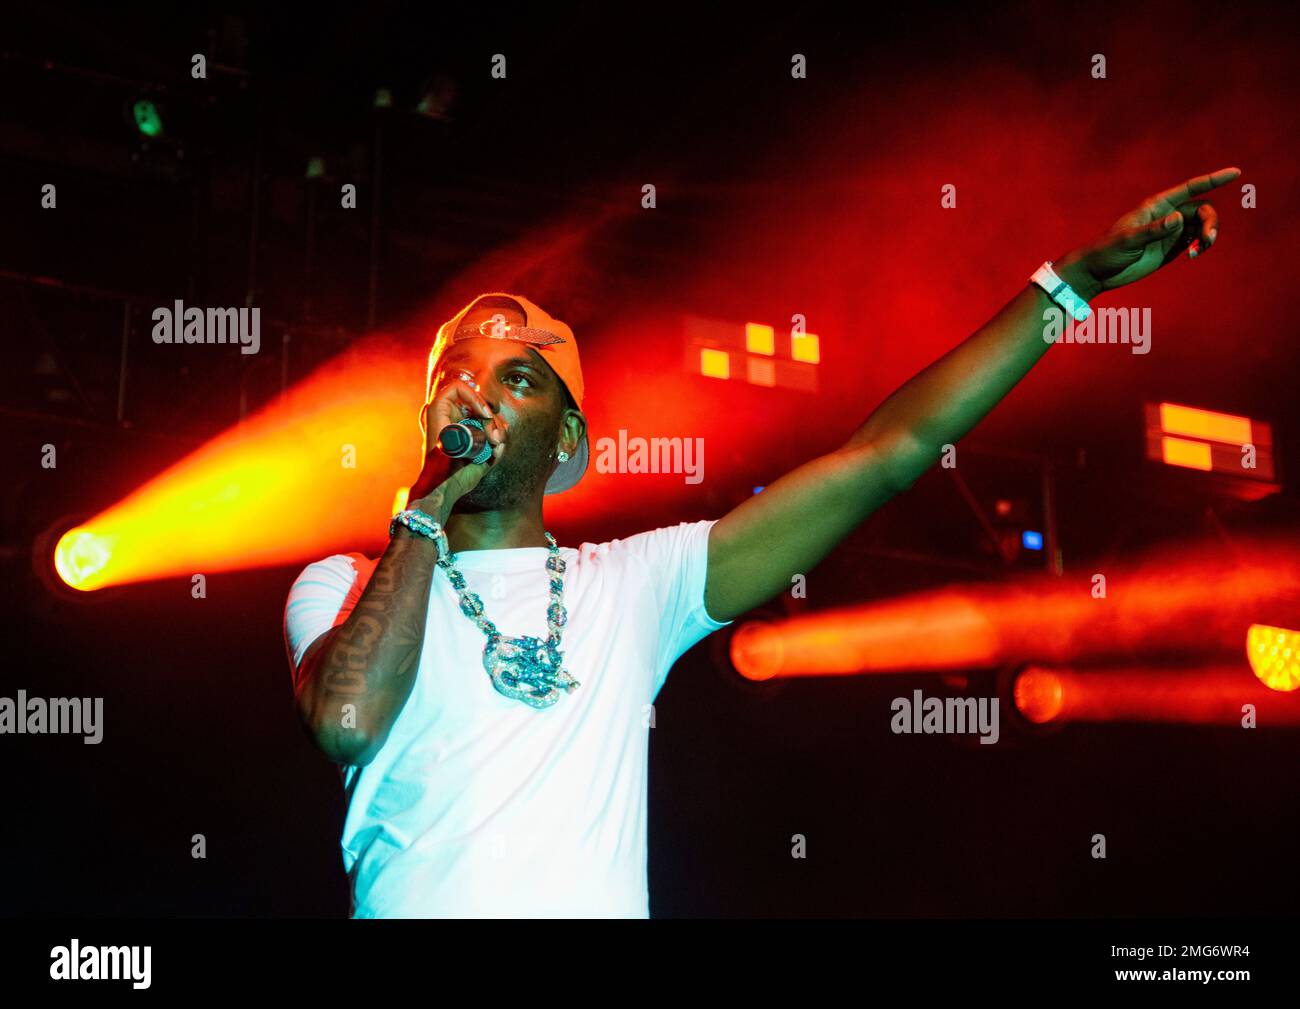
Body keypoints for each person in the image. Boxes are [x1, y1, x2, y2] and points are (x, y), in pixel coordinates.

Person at [284, 167, 1239, 917]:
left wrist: (1068, 285)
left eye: (518, 380)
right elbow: (349, 719)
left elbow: (886, 454)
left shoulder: (633, 583)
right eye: (458, 373)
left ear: (567, 439)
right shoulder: (339, 584)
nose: (479, 392)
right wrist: (426, 501)